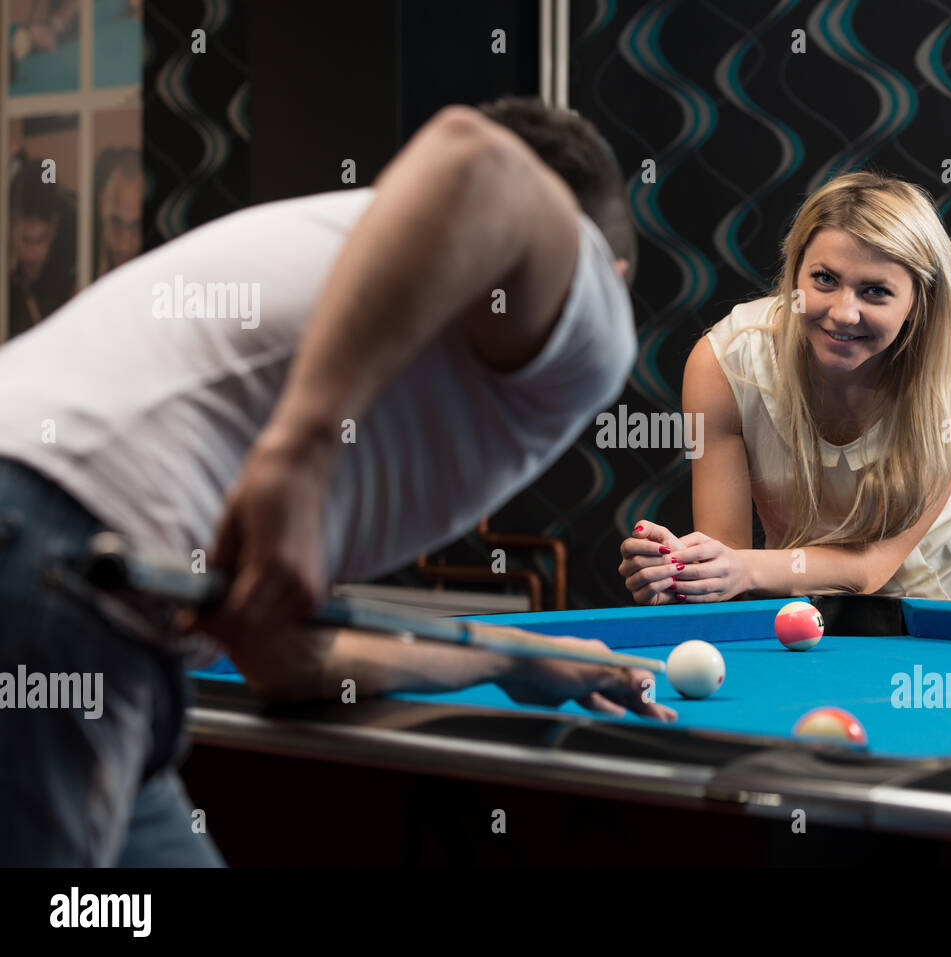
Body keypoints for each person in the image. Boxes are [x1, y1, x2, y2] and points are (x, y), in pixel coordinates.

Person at [0, 97, 673, 868]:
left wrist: (513, 654)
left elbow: (284, 661)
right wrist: (299, 453)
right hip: (53, 563)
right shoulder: (597, 319)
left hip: (78, 583)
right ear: (606, 272)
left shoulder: (342, 281)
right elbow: (474, 158)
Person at [619, 171, 951, 606]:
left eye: (876, 291)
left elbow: (871, 565)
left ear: (919, 300)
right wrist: (684, 574)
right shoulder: (724, 364)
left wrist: (739, 568)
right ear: (795, 273)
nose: (843, 313)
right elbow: (724, 564)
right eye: (825, 279)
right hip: (822, 594)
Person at [7, 153, 76, 337]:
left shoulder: (73, 258)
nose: (30, 254)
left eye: (39, 240)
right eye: (24, 239)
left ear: (54, 227)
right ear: (12, 224)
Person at [94, 147, 144, 277]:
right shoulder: (81, 258)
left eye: (136, 229)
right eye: (117, 226)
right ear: (101, 205)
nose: (125, 246)